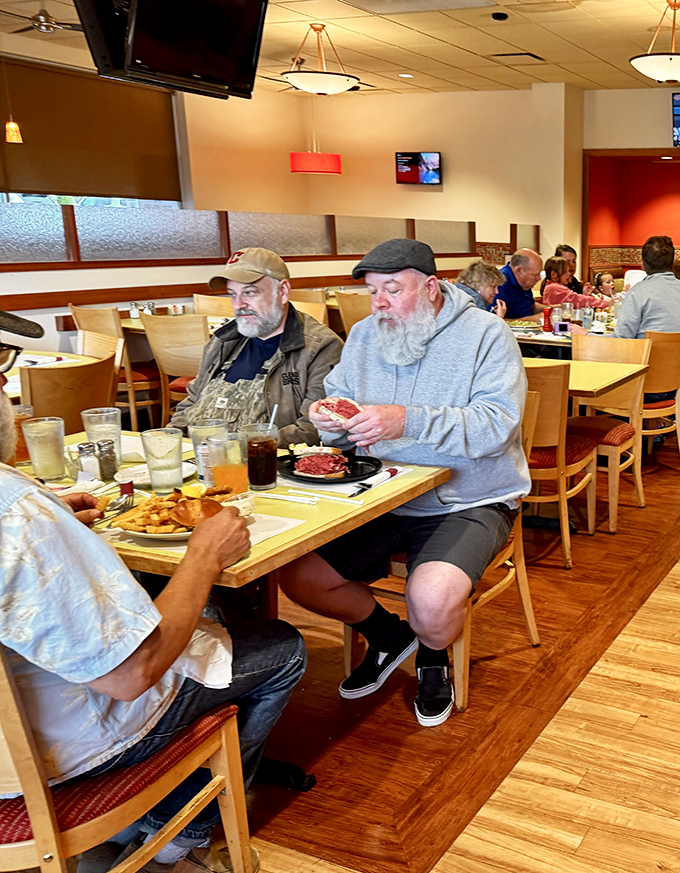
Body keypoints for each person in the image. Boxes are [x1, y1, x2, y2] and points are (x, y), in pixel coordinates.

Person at [0, 311, 306, 873]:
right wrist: (204, 555)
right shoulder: (15, 514)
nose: (5, 385)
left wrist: (52, 519)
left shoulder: (22, 509)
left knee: (185, 608)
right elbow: (130, 676)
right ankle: (180, 829)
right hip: (48, 755)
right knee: (283, 648)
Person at [278, 239, 531, 728]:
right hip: (382, 493)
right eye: (373, 291)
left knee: (430, 601)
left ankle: (433, 657)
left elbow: (497, 426)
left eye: (392, 290)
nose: (379, 303)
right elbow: (340, 403)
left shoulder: (486, 334)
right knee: (300, 577)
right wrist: (328, 419)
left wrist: (408, 420)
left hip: (468, 498)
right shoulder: (364, 335)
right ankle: (390, 636)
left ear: (431, 287)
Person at [171, 248, 343, 447]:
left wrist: (237, 449)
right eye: (232, 294)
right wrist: (171, 440)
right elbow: (192, 402)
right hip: (195, 456)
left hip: (265, 460)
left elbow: (312, 429)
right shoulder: (221, 341)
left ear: (283, 291)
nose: (239, 305)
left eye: (250, 293)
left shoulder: (321, 348)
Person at [614, 236, 680, 339]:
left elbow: (621, 339)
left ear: (642, 265)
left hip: (648, 349)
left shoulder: (636, 293)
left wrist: (589, 335)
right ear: (673, 262)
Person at [494, 249, 544, 320]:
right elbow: (495, 321)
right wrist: (533, 319)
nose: (538, 278)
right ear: (519, 270)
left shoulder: (524, 282)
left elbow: (531, 307)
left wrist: (554, 309)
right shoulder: (499, 283)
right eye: (535, 275)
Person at [541, 257, 609, 310]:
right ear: (553, 274)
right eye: (565, 271)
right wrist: (605, 303)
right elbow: (576, 300)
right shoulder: (554, 287)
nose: (569, 274)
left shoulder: (551, 286)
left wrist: (585, 295)